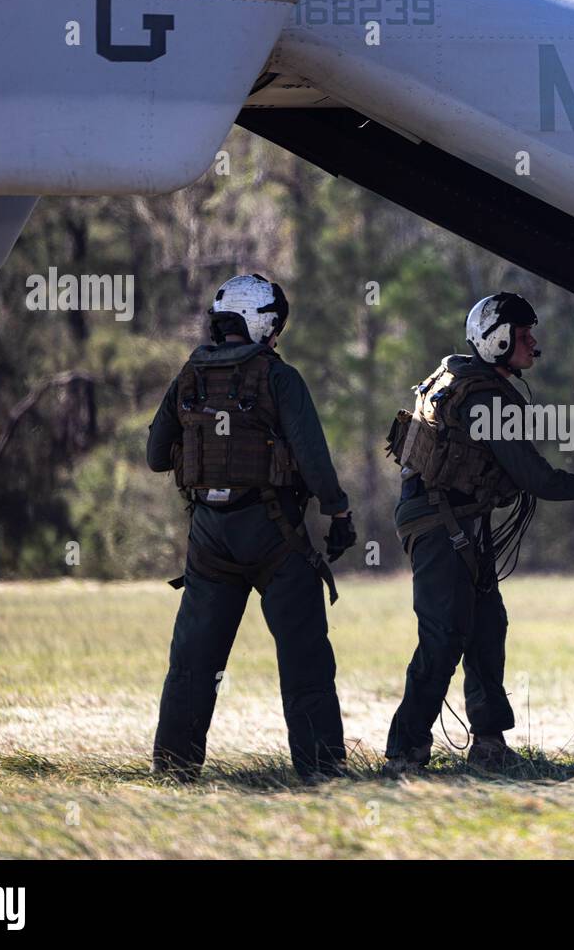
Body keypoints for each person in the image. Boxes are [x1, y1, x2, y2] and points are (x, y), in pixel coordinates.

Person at [382, 292, 574, 775]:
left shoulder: (464, 379)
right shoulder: (483, 396)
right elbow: (537, 479)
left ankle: (489, 746)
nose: (533, 343)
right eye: (524, 335)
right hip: (441, 526)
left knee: (486, 627)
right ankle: (404, 754)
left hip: (457, 523)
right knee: (444, 637)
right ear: (498, 340)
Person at [145, 274, 356, 781]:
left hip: (208, 539)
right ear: (263, 322)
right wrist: (339, 513)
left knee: (194, 661)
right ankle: (320, 769)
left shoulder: (189, 374)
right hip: (274, 533)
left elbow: (155, 455)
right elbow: (313, 459)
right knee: (304, 655)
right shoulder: (279, 377)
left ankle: (174, 768)